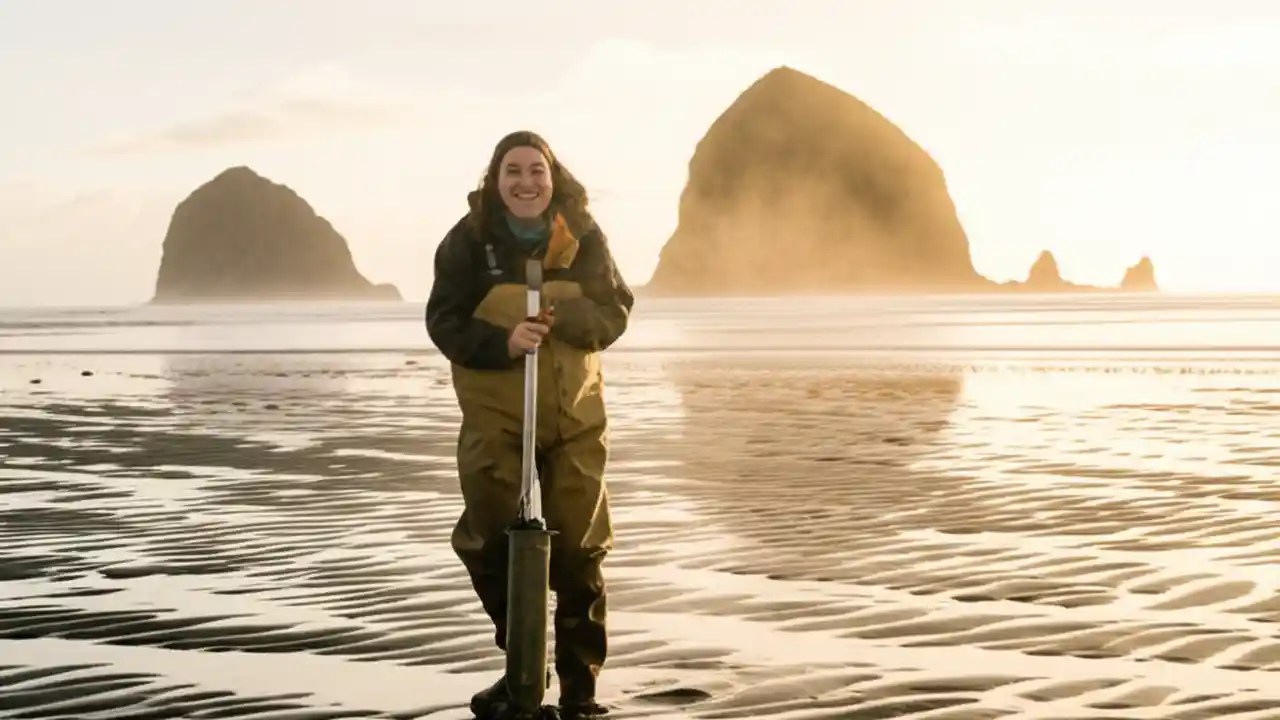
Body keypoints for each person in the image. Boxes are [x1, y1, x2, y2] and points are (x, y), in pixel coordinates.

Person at [425, 130, 634, 719]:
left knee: (581, 552)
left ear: (552, 175)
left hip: (575, 418)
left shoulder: (584, 236)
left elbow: (616, 311)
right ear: (495, 179)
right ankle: (523, 669)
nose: (525, 182)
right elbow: (442, 321)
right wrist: (504, 340)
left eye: (536, 170)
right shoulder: (466, 243)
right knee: (487, 544)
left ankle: (580, 693)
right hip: (496, 420)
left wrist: (560, 314)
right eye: (512, 171)